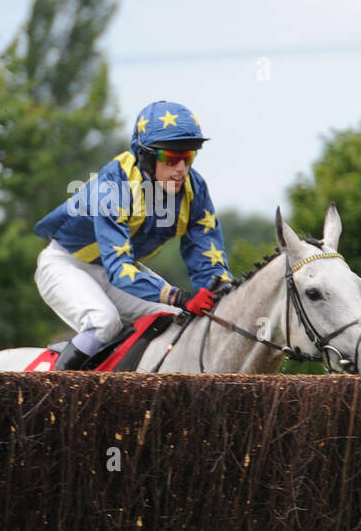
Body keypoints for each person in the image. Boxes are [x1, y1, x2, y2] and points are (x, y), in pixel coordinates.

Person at [33, 100, 233, 370]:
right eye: (171, 158)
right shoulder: (113, 186)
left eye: (188, 157)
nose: (181, 169)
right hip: (66, 265)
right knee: (105, 323)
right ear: (147, 157)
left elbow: (207, 259)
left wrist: (223, 293)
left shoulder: (194, 190)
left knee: (177, 319)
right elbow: (119, 268)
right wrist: (180, 296)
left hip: (114, 273)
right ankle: (54, 395)